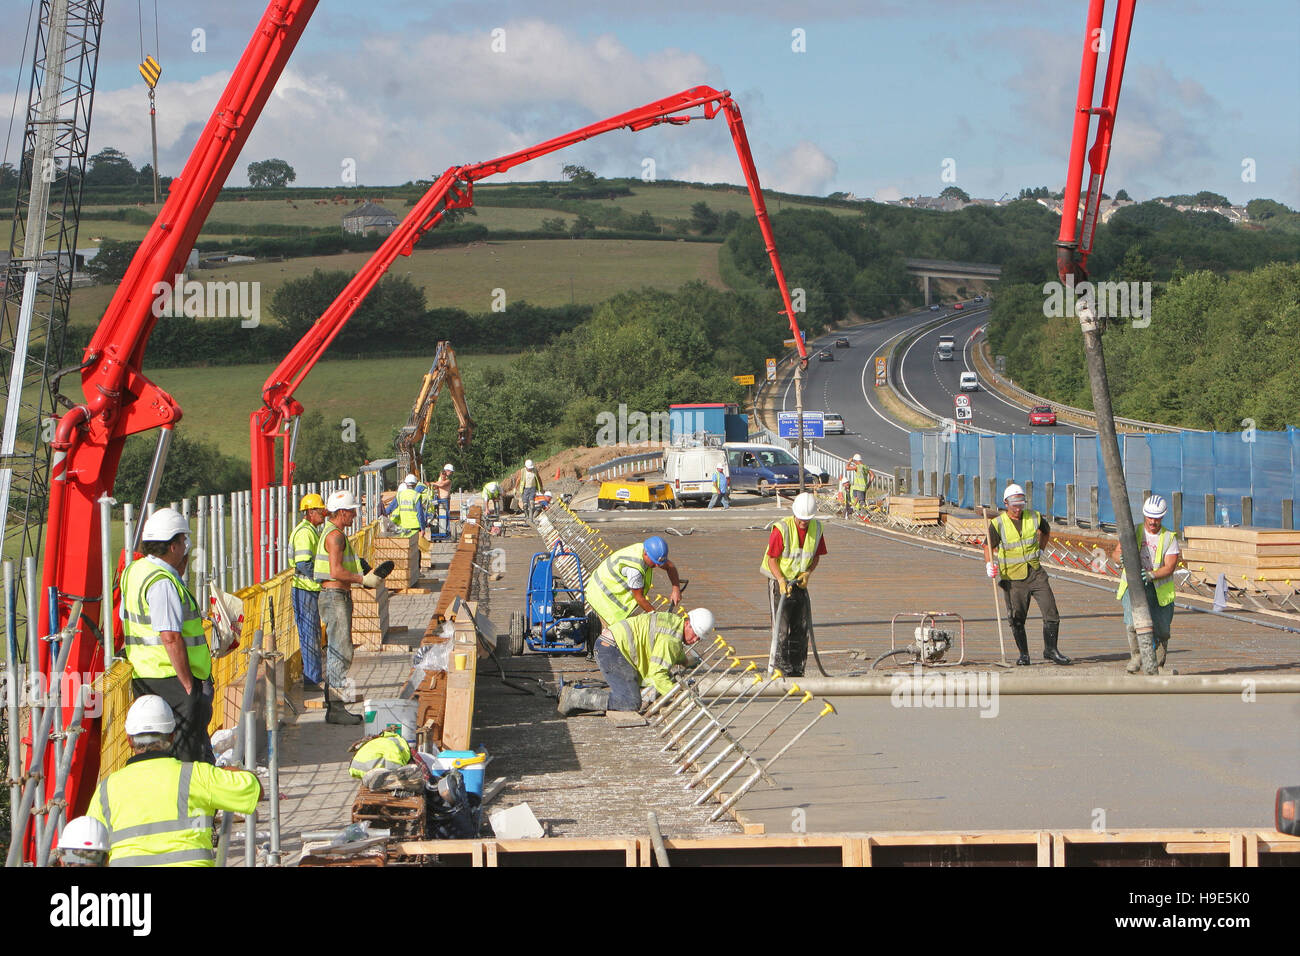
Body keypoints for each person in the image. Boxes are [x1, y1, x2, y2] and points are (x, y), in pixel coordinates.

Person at [88, 695, 260, 867]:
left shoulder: (106, 790)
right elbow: (255, 789)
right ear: (172, 737)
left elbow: (90, 849)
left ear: (129, 740)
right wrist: (221, 772)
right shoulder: (197, 776)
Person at [120, 507, 214, 763]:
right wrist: (188, 686)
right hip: (173, 679)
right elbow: (170, 637)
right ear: (172, 546)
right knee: (187, 753)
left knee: (158, 753)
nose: (186, 547)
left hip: (146, 676)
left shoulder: (135, 571)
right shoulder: (162, 583)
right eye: (183, 542)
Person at [315, 489, 388, 724]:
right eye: (352, 511)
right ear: (342, 512)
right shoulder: (335, 536)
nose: (355, 515)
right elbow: (335, 571)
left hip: (336, 595)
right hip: (335, 595)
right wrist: (362, 580)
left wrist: (363, 572)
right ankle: (336, 708)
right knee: (341, 649)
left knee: (340, 648)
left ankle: (334, 704)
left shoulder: (335, 533)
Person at [557, 609, 714, 718]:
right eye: (695, 634)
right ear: (688, 623)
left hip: (611, 645)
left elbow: (671, 648)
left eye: (699, 639)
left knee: (633, 689)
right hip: (612, 651)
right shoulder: (671, 639)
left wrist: (685, 661)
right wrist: (679, 696)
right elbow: (657, 674)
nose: (695, 640)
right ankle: (573, 697)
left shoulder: (673, 622)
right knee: (630, 701)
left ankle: (575, 696)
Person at [984, 483, 1071, 666]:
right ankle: (1024, 654)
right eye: (1014, 505)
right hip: (1013, 578)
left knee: (1051, 612)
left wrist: (1040, 550)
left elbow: (1046, 532)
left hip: (1035, 572)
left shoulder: (1034, 517)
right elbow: (988, 546)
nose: (1018, 509)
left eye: (1020, 504)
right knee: (1017, 617)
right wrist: (989, 564)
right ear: (1006, 503)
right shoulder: (998, 523)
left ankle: (1051, 650)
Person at [761, 491, 827, 677]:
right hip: (778, 581)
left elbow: (815, 556)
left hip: (799, 581)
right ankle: (779, 668)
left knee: (801, 626)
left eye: (807, 519)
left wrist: (807, 573)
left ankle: (797, 669)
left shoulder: (816, 528)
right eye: (800, 519)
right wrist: (781, 580)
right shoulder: (781, 529)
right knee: (781, 627)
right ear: (794, 514)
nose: (803, 522)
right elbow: (772, 559)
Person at [1113, 494, 1180, 673]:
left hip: (1158, 588)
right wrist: (1120, 559)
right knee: (1132, 623)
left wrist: (1152, 575)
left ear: (1163, 517)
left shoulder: (1168, 538)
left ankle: (1158, 665)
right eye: (1150, 517)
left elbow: (1170, 566)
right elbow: (1115, 553)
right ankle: (1136, 656)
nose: (1153, 521)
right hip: (1133, 584)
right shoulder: (1134, 531)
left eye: (1157, 518)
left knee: (1162, 629)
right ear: (1144, 515)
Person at [584, 535, 683, 633]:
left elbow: (670, 566)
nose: (657, 566)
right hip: (603, 600)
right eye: (654, 562)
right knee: (610, 639)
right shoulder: (635, 570)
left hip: (602, 587)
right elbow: (639, 598)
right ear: (645, 554)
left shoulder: (645, 549)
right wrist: (657, 618)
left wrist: (676, 588)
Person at [290, 492, 327, 688]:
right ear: (311, 511)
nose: (323, 514)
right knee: (310, 634)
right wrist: (323, 578)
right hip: (305, 590)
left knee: (311, 634)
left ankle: (313, 677)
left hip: (308, 590)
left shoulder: (310, 530)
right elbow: (304, 564)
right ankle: (312, 680)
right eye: (320, 510)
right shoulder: (305, 533)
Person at [383, 473, 425, 537]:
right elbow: (420, 513)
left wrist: (381, 514)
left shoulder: (400, 495)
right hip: (415, 526)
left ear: (406, 484)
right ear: (415, 484)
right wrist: (423, 528)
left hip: (404, 526)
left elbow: (390, 508)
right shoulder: (416, 495)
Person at [432, 464, 454, 536]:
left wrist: (433, 483)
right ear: (447, 470)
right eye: (450, 472)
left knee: (445, 515)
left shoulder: (448, 480)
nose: (451, 473)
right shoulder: (441, 478)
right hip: (441, 499)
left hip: (445, 499)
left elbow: (441, 485)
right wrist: (435, 484)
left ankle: (445, 530)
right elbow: (437, 486)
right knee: (441, 515)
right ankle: (442, 530)